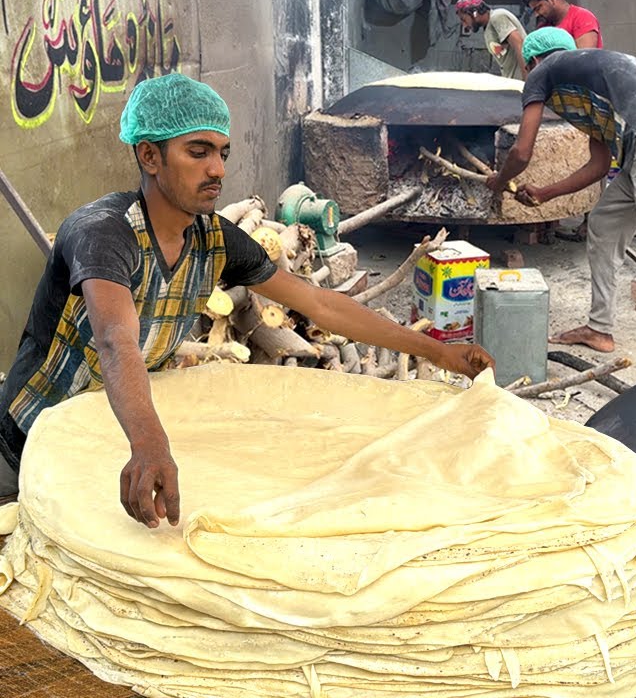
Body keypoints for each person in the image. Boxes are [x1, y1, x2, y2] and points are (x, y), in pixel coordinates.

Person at [0, 74, 494, 528]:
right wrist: (149, 443)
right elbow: (114, 340)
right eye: (197, 152)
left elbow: (320, 306)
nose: (217, 169)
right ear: (150, 157)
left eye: (222, 152)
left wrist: (438, 351)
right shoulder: (104, 234)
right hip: (30, 439)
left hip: (105, 435)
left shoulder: (212, 239)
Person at [485, 28, 636, 354]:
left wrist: (498, 183)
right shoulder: (589, 80)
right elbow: (599, 165)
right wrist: (546, 193)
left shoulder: (543, 71)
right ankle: (600, 329)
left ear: (532, 61)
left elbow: (521, 152)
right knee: (603, 223)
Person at [455, 0, 527, 80]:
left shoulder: (497, 17)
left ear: (475, 13)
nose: (465, 25)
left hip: (522, 82)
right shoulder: (487, 28)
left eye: (464, 19)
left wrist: (527, 80)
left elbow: (519, 45)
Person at [521, 0, 602, 49]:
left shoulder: (582, 18)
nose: (537, 14)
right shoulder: (544, 26)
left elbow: (584, 57)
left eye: (538, 8)